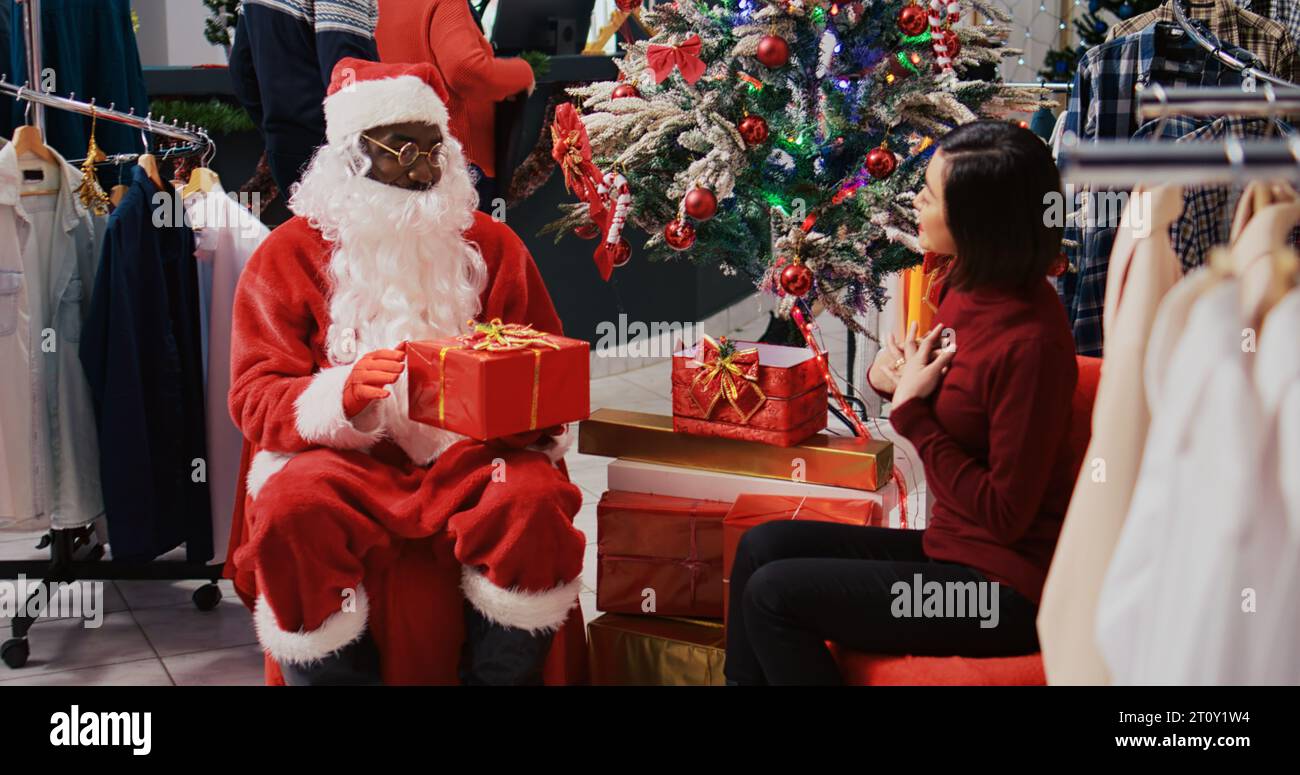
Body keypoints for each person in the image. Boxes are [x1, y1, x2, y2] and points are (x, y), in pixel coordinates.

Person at [225, 57, 585, 685]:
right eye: (400, 148)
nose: (422, 166)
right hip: (343, 463)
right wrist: (339, 397)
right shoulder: (286, 255)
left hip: (472, 457)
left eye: (433, 148)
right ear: (352, 158)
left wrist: (523, 406)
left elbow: (543, 363)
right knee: (291, 508)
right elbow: (253, 394)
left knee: (530, 500)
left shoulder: (495, 247)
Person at [724, 121, 1079, 685]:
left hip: (1000, 593)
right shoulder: (966, 288)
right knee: (760, 546)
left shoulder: (1032, 342)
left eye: (931, 194)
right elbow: (957, 400)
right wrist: (896, 382)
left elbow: (1006, 516)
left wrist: (914, 414)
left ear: (977, 221)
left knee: (774, 597)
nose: (915, 199)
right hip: (952, 553)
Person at [375, 0, 535, 211]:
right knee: (475, 242)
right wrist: (522, 73)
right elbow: (466, 70)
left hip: (398, 160)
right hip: (457, 164)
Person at [230, 0, 380, 194]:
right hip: (334, 155)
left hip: (285, 149)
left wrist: (277, 131)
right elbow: (345, 69)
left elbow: (241, 72)